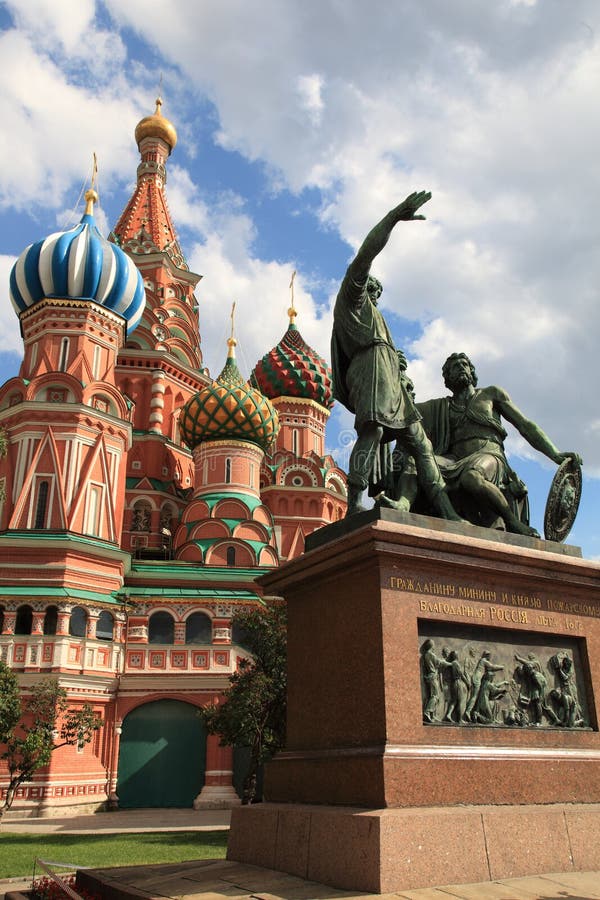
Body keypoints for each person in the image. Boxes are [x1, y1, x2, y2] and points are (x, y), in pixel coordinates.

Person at [331, 192, 461, 520]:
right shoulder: (353, 297)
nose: (375, 292)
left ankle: (449, 512)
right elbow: (366, 253)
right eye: (371, 286)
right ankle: (354, 504)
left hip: (389, 375)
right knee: (372, 432)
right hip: (371, 369)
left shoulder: (375, 316)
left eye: (377, 290)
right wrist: (393, 217)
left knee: (421, 443)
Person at [411, 352, 582, 536]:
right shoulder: (441, 406)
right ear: (447, 377)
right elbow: (406, 411)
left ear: (472, 371)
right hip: (454, 459)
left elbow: (525, 426)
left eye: (464, 364)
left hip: (489, 454)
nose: (461, 367)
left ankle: (513, 522)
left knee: (471, 477)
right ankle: (408, 506)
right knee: (416, 462)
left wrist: (554, 453)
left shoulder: (491, 394)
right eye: (455, 366)